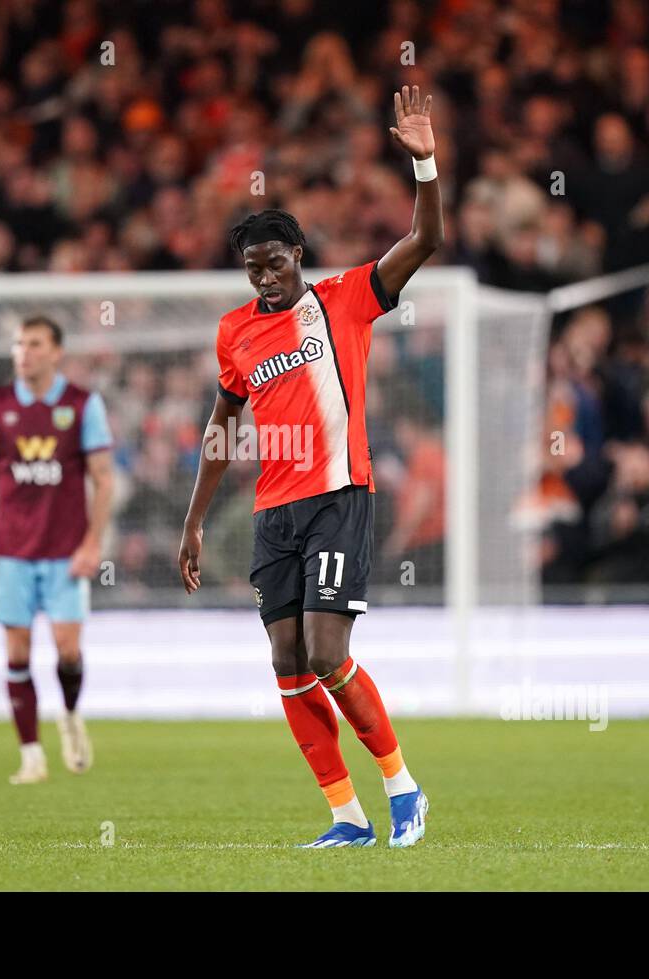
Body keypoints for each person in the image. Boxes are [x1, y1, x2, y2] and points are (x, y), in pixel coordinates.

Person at [178, 87, 442, 848]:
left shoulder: (345, 299)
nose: (263, 276)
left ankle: (401, 787)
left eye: (273, 261)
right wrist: (194, 522)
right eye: (251, 267)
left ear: (297, 254)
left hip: (338, 496)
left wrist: (424, 159)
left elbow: (426, 238)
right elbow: (223, 423)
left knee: (329, 654)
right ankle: (345, 817)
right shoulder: (235, 334)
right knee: (287, 662)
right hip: (274, 512)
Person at [0, 315, 114, 784]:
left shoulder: (82, 404)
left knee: (67, 651)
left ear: (56, 351)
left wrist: (92, 543)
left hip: (66, 551)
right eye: (19, 344)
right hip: (12, 553)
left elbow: (102, 478)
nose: (24, 352)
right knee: (17, 653)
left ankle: (68, 714)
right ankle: (30, 756)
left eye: (35, 344)